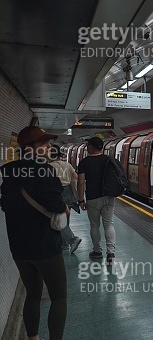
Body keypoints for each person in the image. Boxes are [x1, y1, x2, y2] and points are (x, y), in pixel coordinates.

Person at [1, 126, 69, 340]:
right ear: (30, 148)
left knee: (32, 295)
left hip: (19, 248)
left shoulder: (7, 171)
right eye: (45, 145)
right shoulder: (45, 170)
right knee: (59, 297)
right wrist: (63, 207)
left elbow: (5, 204)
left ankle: (33, 338)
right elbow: (56, 204)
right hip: (46, 246)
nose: (49, 148)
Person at [77, 137, 116, 264]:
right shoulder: (109, 160)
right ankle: (110, 254)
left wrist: (80, 200)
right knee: (109, 224)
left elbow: (81, 183)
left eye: (88, 145)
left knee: (95, 225)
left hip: (92, 198)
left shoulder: (84, 162)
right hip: (109, 196)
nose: (87, 147)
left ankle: (97, 251)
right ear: (102, 147)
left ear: (92, 147)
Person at [49, 145, 82, 254]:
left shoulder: (48, 167)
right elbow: (75, 177)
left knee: (59, 220)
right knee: (65, 218)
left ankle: (72, 239)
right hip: (68, 192)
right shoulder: (67, 165)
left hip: (57, 193)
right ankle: (64, 245)